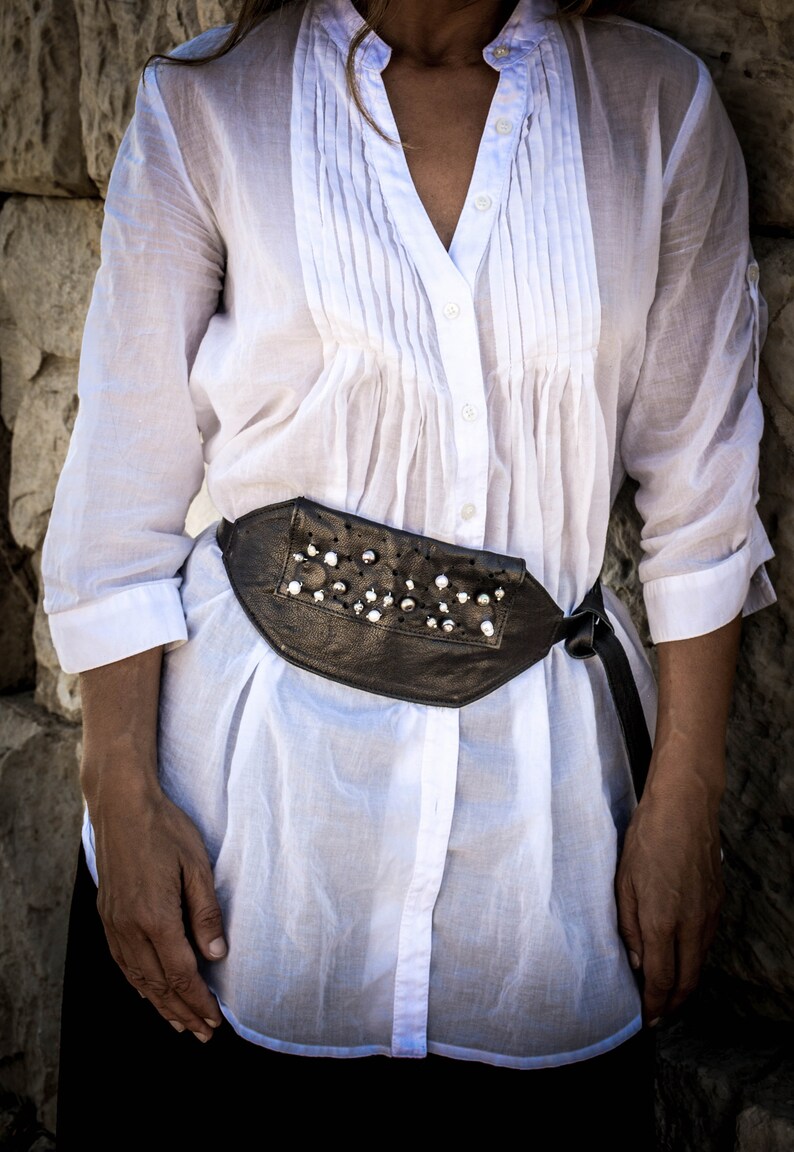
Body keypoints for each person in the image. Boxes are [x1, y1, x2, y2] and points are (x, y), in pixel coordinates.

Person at [42, 0, 776, 1146]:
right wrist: (119, 789)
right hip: (252, 829)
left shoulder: (654, 109)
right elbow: (120, 492)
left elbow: (699, 498)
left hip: (533, 850)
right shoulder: (208, 104)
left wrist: (684, 795)